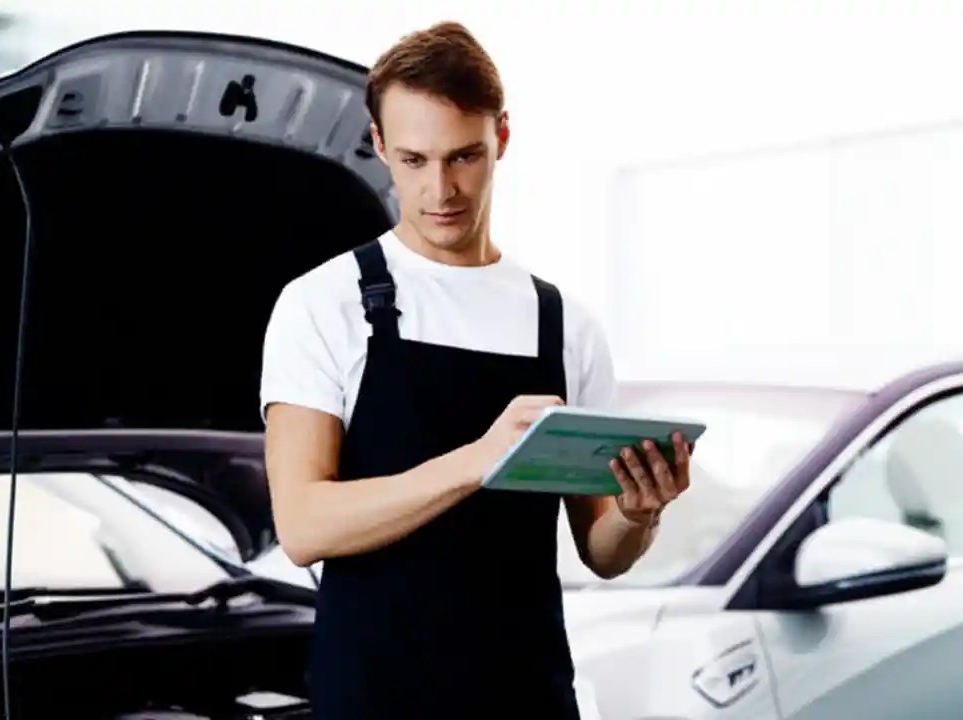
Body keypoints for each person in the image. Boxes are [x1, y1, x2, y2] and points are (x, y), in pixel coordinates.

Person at [259, 21, 693, 720]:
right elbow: (305, 525)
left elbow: (603, 552)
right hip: (374, 701)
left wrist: (640, 516)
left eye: (464, 156)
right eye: (414, 159)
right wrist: (479, 461)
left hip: (527, 697)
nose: (441, 188)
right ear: (377, 145)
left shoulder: (564, 325)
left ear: (503, 139)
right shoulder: (323, 304)